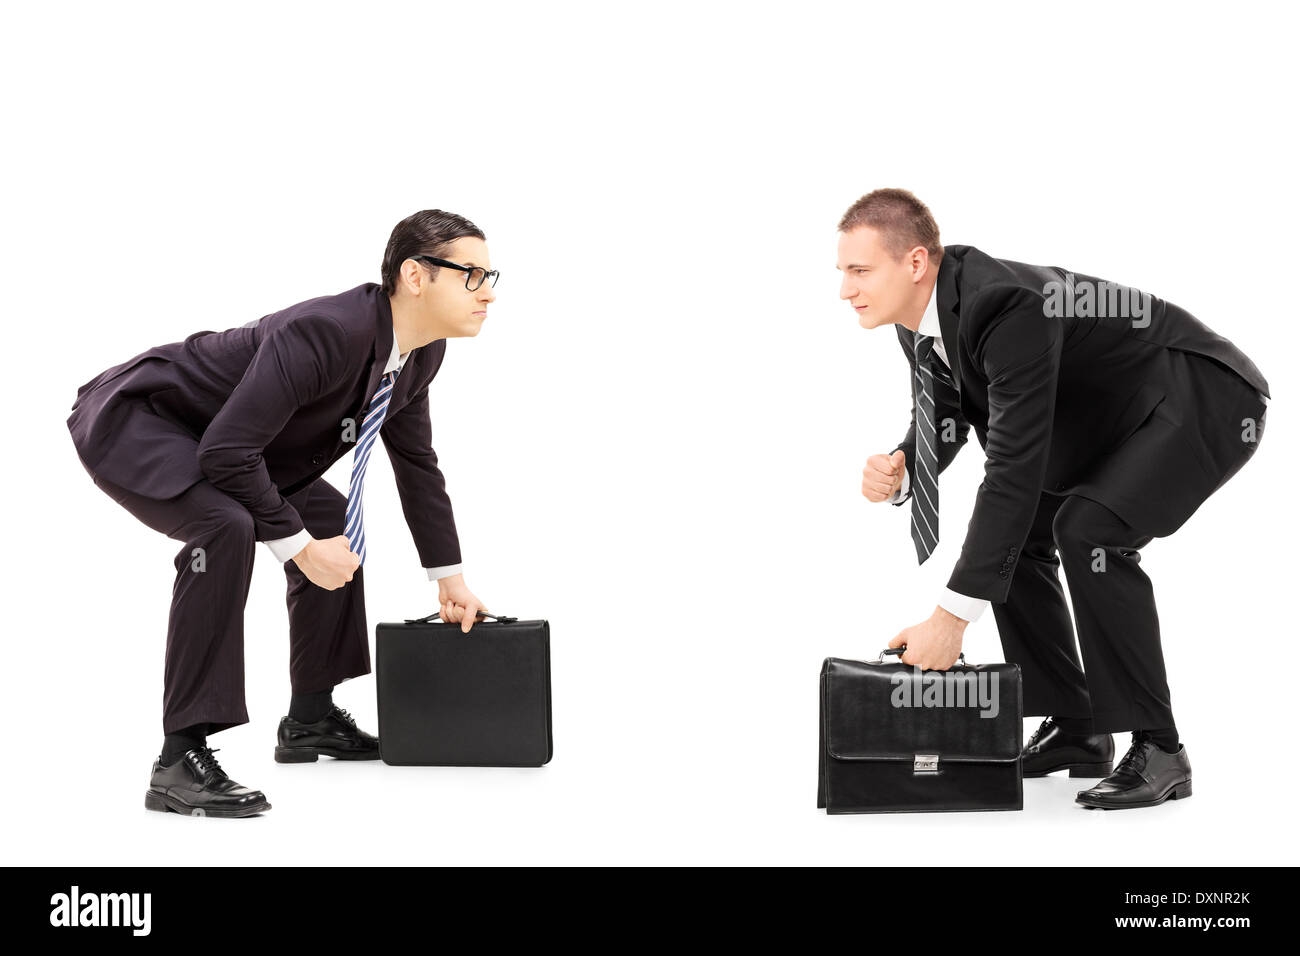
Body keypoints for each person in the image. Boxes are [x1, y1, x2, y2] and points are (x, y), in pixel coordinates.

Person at [841, 188, 1268, 810]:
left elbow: (1012, 467)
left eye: (859, 270)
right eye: (842, 272)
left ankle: (1162, 748)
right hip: (1118, 414)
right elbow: (954, 407)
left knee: (1088, 532)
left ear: (913, 263)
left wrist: (951, 620)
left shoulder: (1003, 303)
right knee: (1025, 535)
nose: (846, 290)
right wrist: (908, 463)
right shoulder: (919, 320)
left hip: (1204, 396)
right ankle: (1078, 726)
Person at [66, 208, 495, 817]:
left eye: (490, 275)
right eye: (472, 275)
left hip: (234, 445)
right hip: (147, 420)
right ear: (415, 276)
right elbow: (225, 451)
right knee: (225, 526)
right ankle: (177, 759)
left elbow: (418, 466)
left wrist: (449, 582)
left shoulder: (422, 355)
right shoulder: (327, 331)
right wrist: (296, 548)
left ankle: (311, 718)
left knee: (331, 519)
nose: (489, 292)